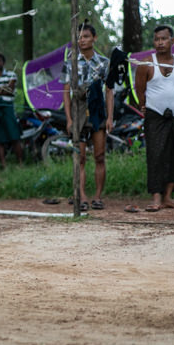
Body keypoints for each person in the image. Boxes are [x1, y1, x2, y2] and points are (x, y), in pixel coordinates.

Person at [62, 24, 114, 212]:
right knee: (80, 156)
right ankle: (82, 195)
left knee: (99, 156)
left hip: (97, 110)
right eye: (79, 37)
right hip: (78, 111)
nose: (81, 40)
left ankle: (98, 196)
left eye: (85, 36)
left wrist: (110, 117)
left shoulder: (104, 63)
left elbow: (109, 91)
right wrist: (69, 119)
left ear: (94, 38)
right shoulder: (70, 62)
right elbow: (66, 92)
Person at [134, 25, 174, 212]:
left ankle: (168, 197)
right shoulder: (146, 63)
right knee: (155, 155)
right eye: (156, 39)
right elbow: (140, 89)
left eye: (163, 38)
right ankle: (156, 197)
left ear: (172, 40)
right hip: (155, 115)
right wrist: (143, 105)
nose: (160, 42)